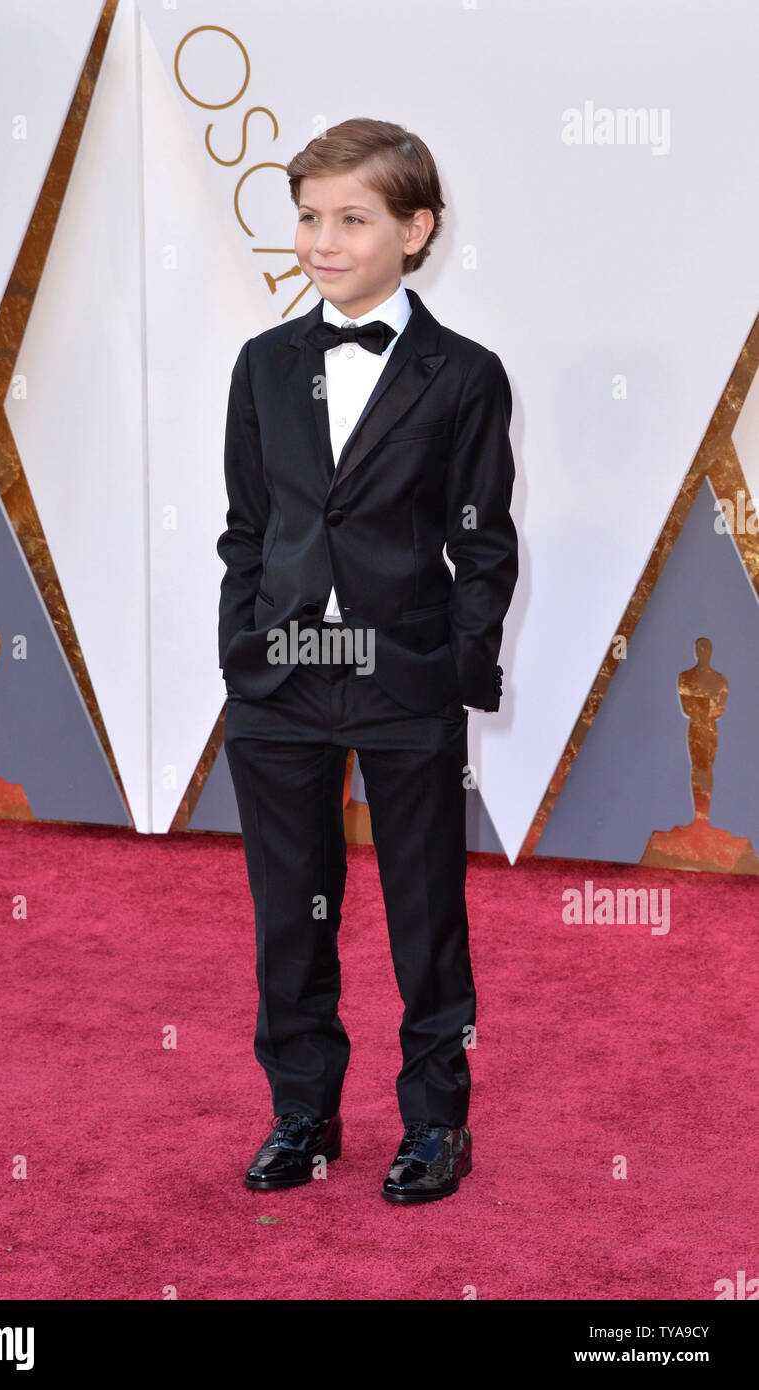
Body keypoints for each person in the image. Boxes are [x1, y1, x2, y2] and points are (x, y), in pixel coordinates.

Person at [217, 117, 518, 1203]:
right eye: (308, 217)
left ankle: (436, 1122)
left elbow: (483, 543)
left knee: (424, 909)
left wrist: (457, 672)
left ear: (416, 228)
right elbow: (246, 528)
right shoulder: (265, 364)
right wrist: (239, 654)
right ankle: (302, 1110)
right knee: (289, 904)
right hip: (282, 675)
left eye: (352, 218)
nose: (322, 240)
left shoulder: (464, 375)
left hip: (403, 678)